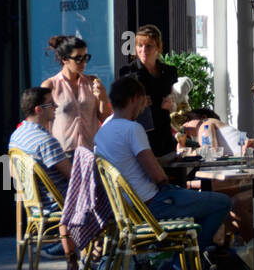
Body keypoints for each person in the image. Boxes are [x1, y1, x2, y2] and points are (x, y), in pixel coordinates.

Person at [94, 77, 232, 253]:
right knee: (222, 202)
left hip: (126, 208)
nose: (144, 108)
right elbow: (158, 176)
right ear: (134, 98)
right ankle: (182, 265)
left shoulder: (104, 129)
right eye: (144, 101)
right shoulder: (132, 128)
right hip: (151, 206)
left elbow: (130, 162)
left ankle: (175, 258)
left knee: (192, 198)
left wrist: (162, 162)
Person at [9, 87, 79, 270]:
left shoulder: (17, 136)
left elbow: (14, 173)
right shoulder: (46, 141)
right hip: (56, 203)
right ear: (39, 109)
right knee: (101, 197)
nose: (55, 107)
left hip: (34, 203)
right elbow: (73, 176)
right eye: (51, 104)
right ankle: (95, 257)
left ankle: (72, 257)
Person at [117, 24, 180, 158]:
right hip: (139, 137)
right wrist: (137, 105)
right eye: (140, 45)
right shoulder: (128, 72)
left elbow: (174, 102)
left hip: (164, 137)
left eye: (149, 46)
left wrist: (171, 105)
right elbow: (121, 109)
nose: (143, 50)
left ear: (158, 47)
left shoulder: (168, 72)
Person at [43, 35, 111, 153]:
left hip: (90, 151)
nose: (83, 62)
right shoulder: (50, 85)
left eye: (86, 57)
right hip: (63, 153)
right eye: (78, 58)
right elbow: (43, 122)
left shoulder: (92, 82)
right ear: (65, 59)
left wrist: (103, 98)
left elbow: (104, 118)